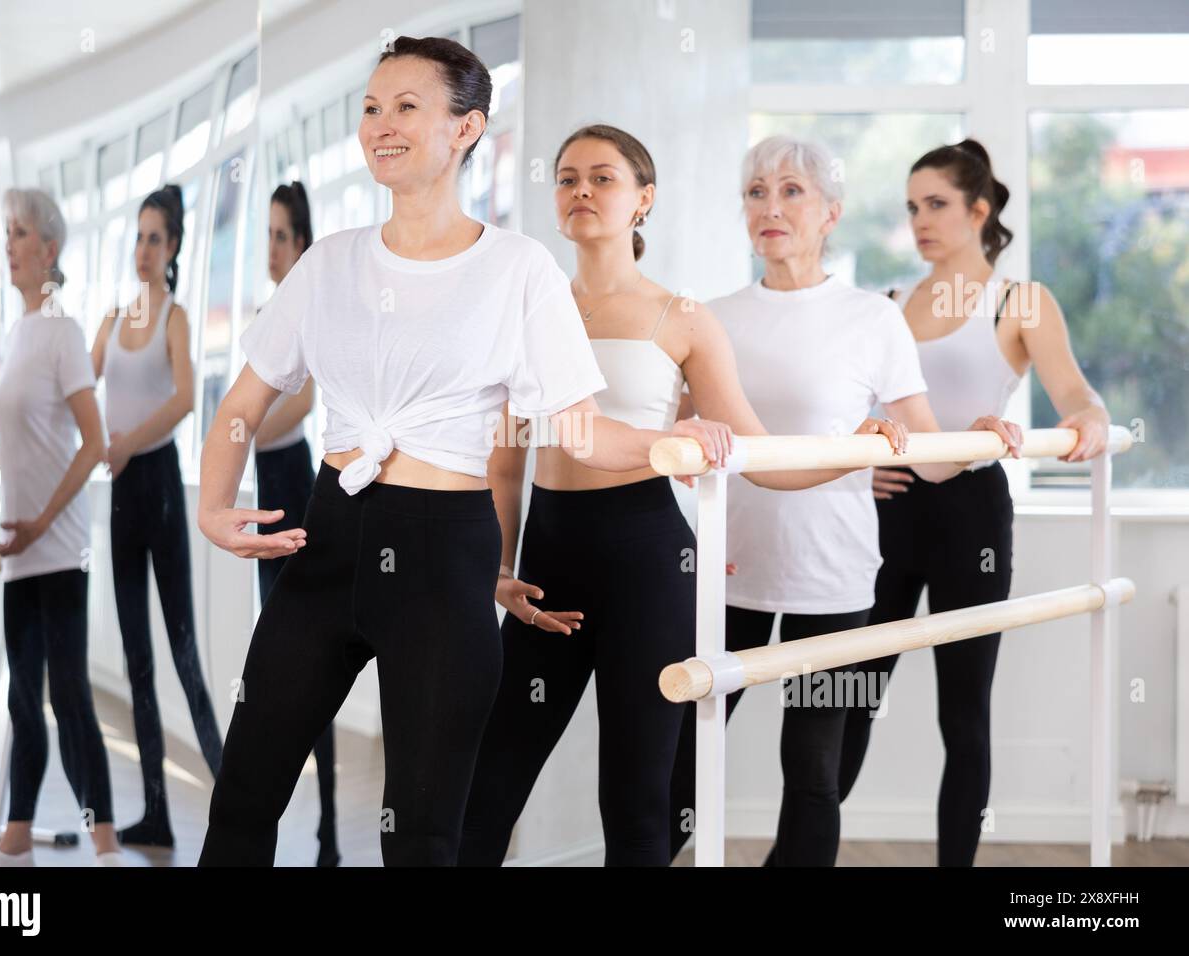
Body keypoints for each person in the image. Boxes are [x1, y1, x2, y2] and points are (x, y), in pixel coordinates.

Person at [196, 37, 733, 866]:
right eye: (372, 107)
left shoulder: (520, 270)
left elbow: (578, 431)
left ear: (466, 128)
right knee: (241, 802)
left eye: (408, 106)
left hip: (444, 556)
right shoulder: (326, 263)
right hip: (327, 539)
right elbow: (241, 405)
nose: (382, 124)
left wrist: (676, 440)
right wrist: (211, 507)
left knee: (423, 837)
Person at [459, 124, 906, 866]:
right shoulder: (529, 310)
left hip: (651, 569)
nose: (581, 191)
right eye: (567, 178)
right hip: (548, 567)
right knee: (488, 786)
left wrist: (856, 450)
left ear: (644, 199)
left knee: (640, 804)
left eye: (603, 177)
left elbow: (757, 457)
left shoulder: (686, 319)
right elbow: (505, 465)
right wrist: (500, 569)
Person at [666, 135, 1023, 866]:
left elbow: (929, 459)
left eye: (792, 191)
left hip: (836, 581)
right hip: (728, 574)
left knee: (814, 774)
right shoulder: (710, 317)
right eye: (757, 192)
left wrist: (981, 438)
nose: (772, 206)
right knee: (680, 767)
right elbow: (674, 433)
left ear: (832, 213)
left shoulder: (873, 318)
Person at [837, 139, 1111, 866]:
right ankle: (806, 850)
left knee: (964, 714)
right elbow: (857, 419)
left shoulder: (1021, 302)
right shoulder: (887, 304)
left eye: (936, 204)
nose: (920, 219)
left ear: (978, 210)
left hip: (972, 518)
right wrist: (858, 469)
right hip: (889, 512)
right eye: (911, 207)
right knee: (850, 696)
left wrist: (1090, 418)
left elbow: (1076, 393)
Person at [0, 187, 123, 866]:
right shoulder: (17, 332)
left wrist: (39, 525)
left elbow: (95, 443)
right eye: (5, 232)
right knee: (23, 698)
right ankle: (18, 834)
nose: (8, 244)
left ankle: (107, 841)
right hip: (18, 546)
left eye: (19, 232)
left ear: (49, 249)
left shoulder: (61, 329)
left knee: (68, 697)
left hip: (57, 547)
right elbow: (7, 447)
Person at [90, 184, 222, 847]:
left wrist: (124, 443)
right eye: (137, 237)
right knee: (137, 658)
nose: (142, 249)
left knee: (183, 653)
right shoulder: (111, 319)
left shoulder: (174, 316)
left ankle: (231, 802)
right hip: (120, 492)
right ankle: (157, 814)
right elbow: (77, 389)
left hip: (161, 488)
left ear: (172, 249)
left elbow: (185, 401)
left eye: (154, 239)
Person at [254, 180, 338, 867]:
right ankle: (275, 827)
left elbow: (303, 400)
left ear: (302, 243)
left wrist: (246, 430)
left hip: (298, 486)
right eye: (270, 235)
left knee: (315, 663)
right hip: (266, 493)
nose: (273, 248)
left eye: (283, 235)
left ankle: (330, 835)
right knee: (277, 663)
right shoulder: (266, 310)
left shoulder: (311, 304)